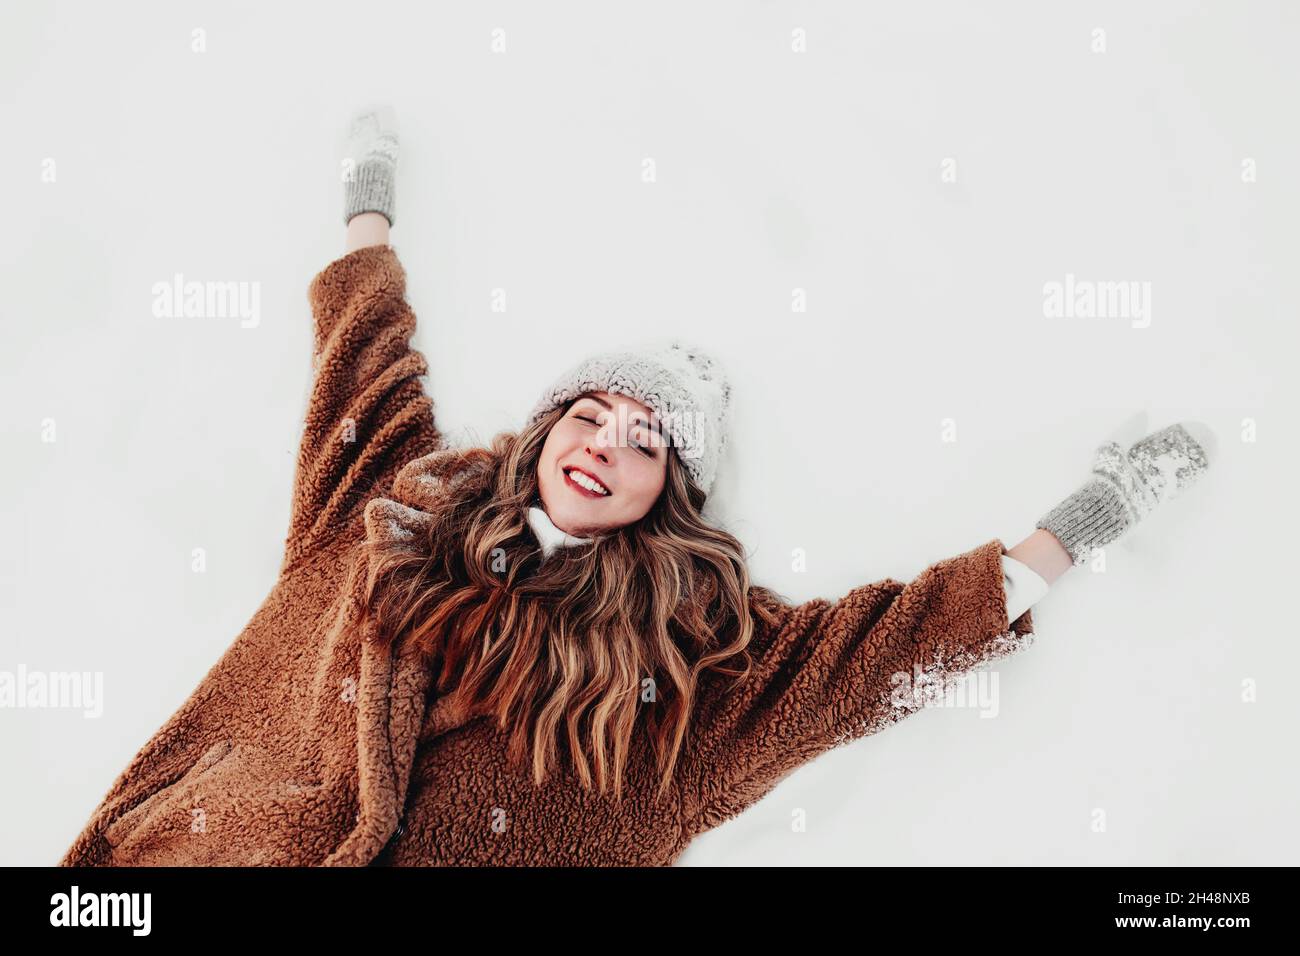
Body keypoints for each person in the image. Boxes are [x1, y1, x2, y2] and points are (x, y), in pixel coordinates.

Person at [57, 107, 1212, 867]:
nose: (605, 440)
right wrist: (369, 207)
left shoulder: (693, 672)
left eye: (646, 439)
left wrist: (1086, 519)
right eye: (591, 410)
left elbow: (886, 651)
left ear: (667, 494)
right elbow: (364, 354)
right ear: (550, 425)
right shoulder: (399, 506)